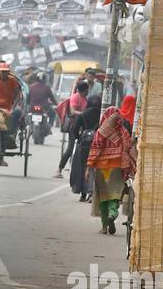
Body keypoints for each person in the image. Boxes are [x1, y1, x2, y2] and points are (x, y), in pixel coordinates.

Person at [86, 105, 136, 233]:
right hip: (117, 168)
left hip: (102, 169)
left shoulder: (101, 132)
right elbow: (129, 149)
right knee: (114, 196)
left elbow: (95, 149)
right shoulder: (123, 132)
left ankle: (104, 227)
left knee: (103, 197)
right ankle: (112, 214)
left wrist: (89, 167)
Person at [69, 91, 101, 200]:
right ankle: (91, 192)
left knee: (81, 167)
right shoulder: (101, 116)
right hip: (97, 145)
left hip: (84, 145)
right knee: (93, 168)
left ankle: (82, 194)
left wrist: (79, 139)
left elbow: (75, 129)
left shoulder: (83, 115)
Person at [54, 78, 88, 176]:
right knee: (70, 148)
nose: (87, 92)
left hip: (83, 126)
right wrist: (83, 114)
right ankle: (59, 169)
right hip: (74, 125)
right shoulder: (75, 98)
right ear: (84, 90)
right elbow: (73, 111)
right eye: (87, 90)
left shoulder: (85, 99)